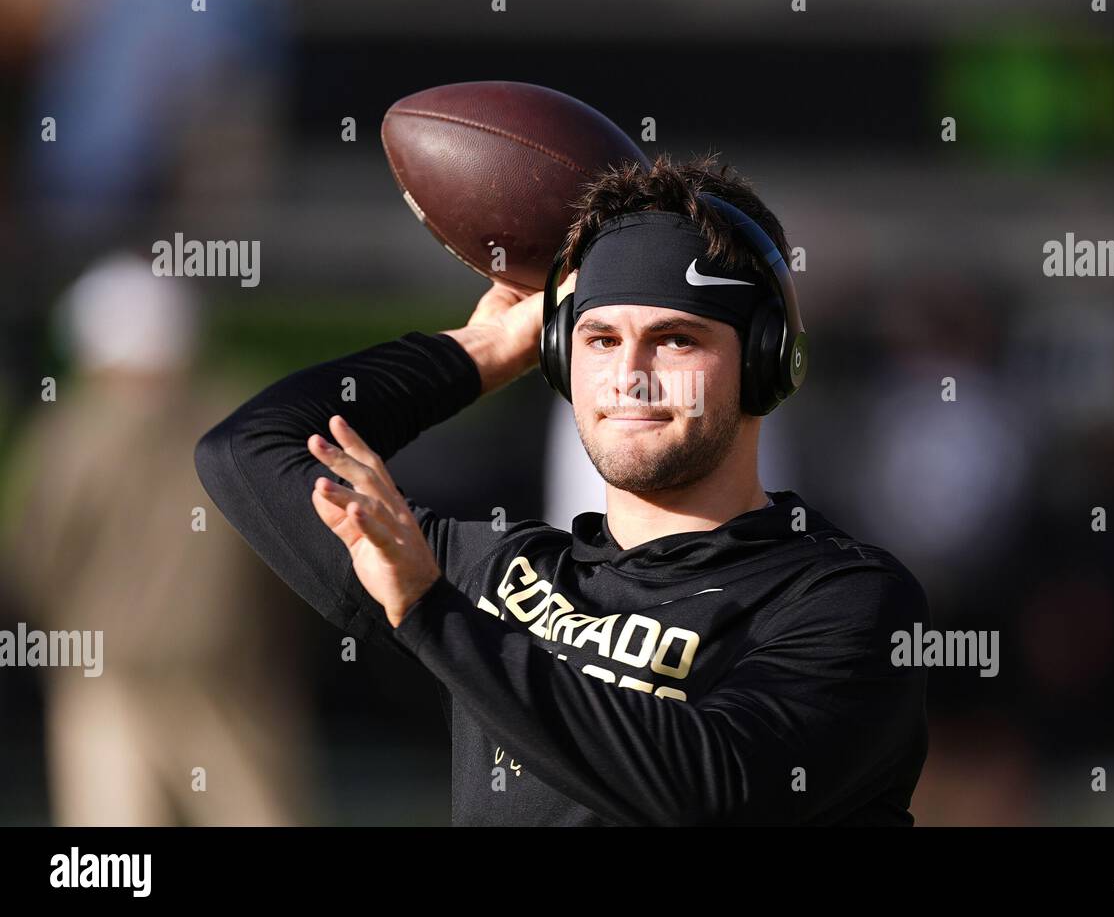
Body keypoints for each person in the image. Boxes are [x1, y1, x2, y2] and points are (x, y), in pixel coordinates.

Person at [195, 155, 929, 826]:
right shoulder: (501, 575)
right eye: (600, 339)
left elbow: (712, 787)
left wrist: (434, 615)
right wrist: (480, 352)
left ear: (766, 361)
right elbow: (245, 451)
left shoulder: (844, 599)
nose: (628, 376)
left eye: (676, 338)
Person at [4, 252, 315, 825]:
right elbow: (294, 563)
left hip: (109, 685)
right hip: (234, 683)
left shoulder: (73, 432)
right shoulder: (247, 421)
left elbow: (36, 560)